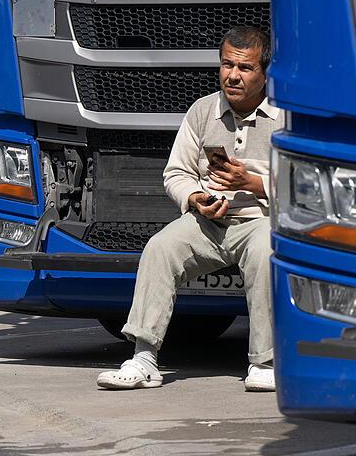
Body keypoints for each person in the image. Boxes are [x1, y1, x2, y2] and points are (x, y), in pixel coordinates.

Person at [97, 26, 280, 392]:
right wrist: (195, 197)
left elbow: (306, 184)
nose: (233, 75)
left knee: (265, 252)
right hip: (208, 221)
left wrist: (254, 183)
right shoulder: (201, 110)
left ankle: (265, 362)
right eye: (227, 65)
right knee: (161, 247)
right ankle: (144, 358)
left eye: (244, 68)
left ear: (265, 72)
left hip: (261, 220)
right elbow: (176, 173)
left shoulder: (286, 116)